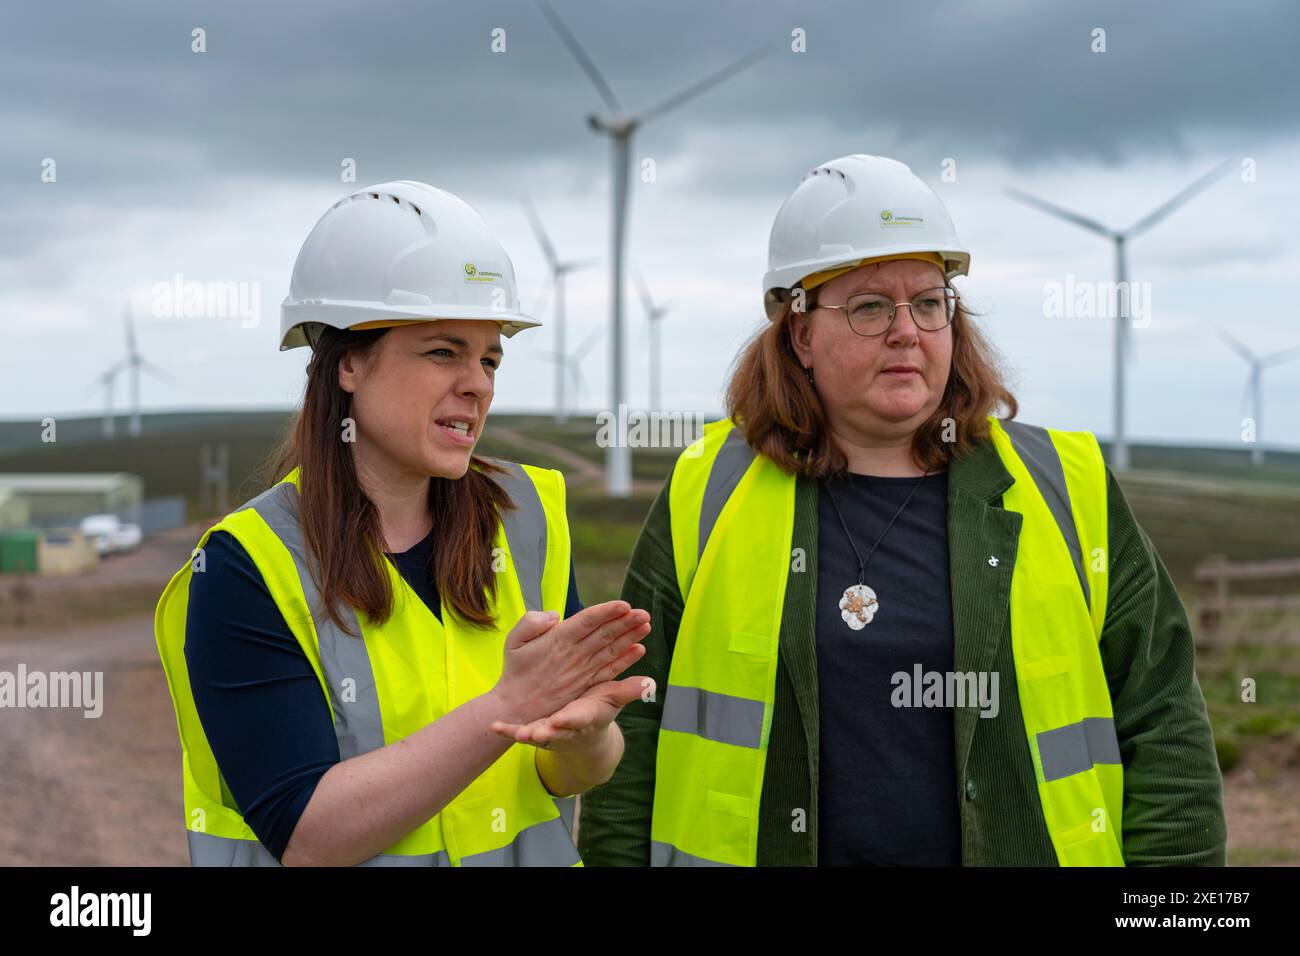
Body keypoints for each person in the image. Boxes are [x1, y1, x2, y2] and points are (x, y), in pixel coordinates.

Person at [577, 154, 1227, 866]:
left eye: (929, 302)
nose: (906, 331)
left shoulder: (1068, 488)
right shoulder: (706, 493)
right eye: (869, 306)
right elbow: (629, 732)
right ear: (800, 335)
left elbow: (1164, 725)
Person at [155, 180, 650, 866]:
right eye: (443, 351)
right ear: (348, 364)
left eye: (490, 358)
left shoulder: (528, 517)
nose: (478, 384)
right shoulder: (247, 565)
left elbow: (566, 774)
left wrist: (585, 739)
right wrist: (509, 705)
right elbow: (309, 836)